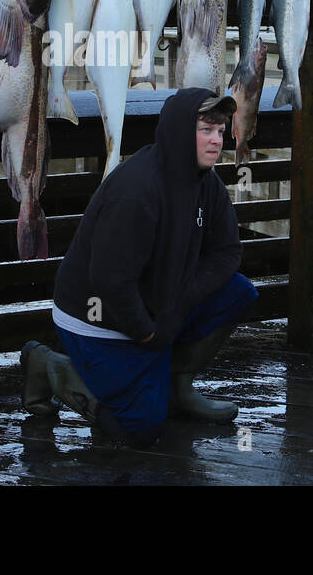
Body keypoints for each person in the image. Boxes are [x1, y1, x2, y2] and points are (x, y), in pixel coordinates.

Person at [20, 88, 259, 446]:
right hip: (97, 319)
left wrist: (177, 307)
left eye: (221, 131)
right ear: (178, 131)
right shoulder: (137, 190)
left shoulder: (206, 184)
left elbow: (226, 252)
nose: (216, 141)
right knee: (140, 428)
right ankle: (52, 367)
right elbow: (109, 282)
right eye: (205, 130)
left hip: (155, 307)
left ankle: (177, 386)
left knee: (238, 292)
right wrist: (147, 332)